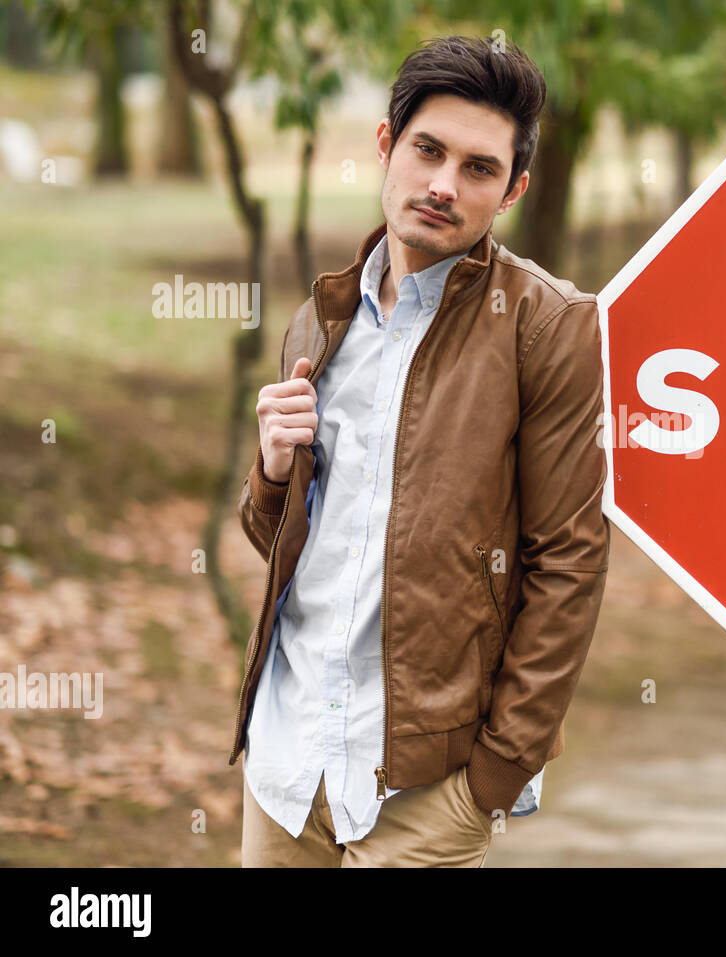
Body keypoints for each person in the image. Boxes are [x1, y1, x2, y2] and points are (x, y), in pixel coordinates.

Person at [230, 34, 610, 867]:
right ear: (385, 146)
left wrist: (494, 775)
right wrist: (274, 471)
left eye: (478, 168)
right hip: (287, 764)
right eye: (427, 150)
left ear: (513, 189)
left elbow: (570, 562)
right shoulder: (321, 318)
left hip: (422, 788)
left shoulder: (546, 327)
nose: (442, 185)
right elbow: (281, 546)